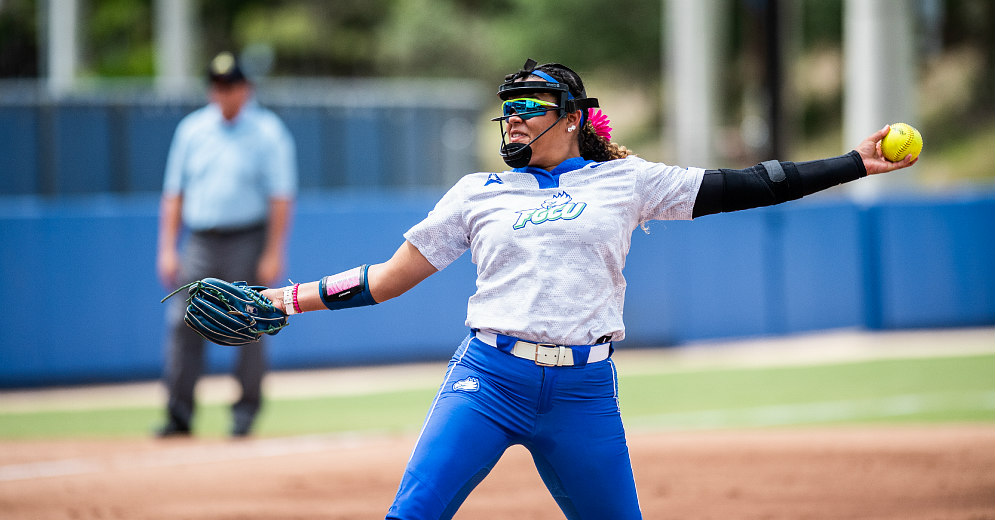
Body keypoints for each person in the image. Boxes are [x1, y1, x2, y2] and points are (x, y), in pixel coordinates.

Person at [257, 59, 915, 518]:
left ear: (571, 117)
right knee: (413, 513)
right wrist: (282, 301)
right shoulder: (476, 193)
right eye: (506, 112)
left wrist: (853, 163)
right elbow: (387, 278)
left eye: (526, 110)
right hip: (487, 379)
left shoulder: (626, 181)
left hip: (583, 393)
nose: (510, 121)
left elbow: (746, 184)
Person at [156, 51, 298, 438]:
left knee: (250, 321)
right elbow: (174, 193)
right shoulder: (192, 130)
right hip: (200, 239)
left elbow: (281, 196)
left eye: (231, 86)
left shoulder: (267, 131)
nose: (224, 93)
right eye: (217, 86)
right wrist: (167, 247)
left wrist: (273, 250)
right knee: (184, 321)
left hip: (248, 238)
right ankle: (178, 413)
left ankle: (244, 413)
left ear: (245, 88)